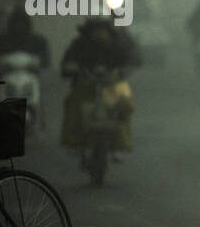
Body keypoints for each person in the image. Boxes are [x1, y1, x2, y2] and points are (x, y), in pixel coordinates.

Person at [59, 18, 141, 153]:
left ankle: (121, 142)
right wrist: (72, 68)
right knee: (72, 104)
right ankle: (73, 140)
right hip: (85, 85)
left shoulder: (118, 44)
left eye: (102, 28)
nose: (99, 33)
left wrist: (122, 71)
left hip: (113, 85)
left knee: (125, 104)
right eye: (95, 28)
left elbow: (132, 59)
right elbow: (68, 61)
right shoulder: (80, 44)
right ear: (88, 29)